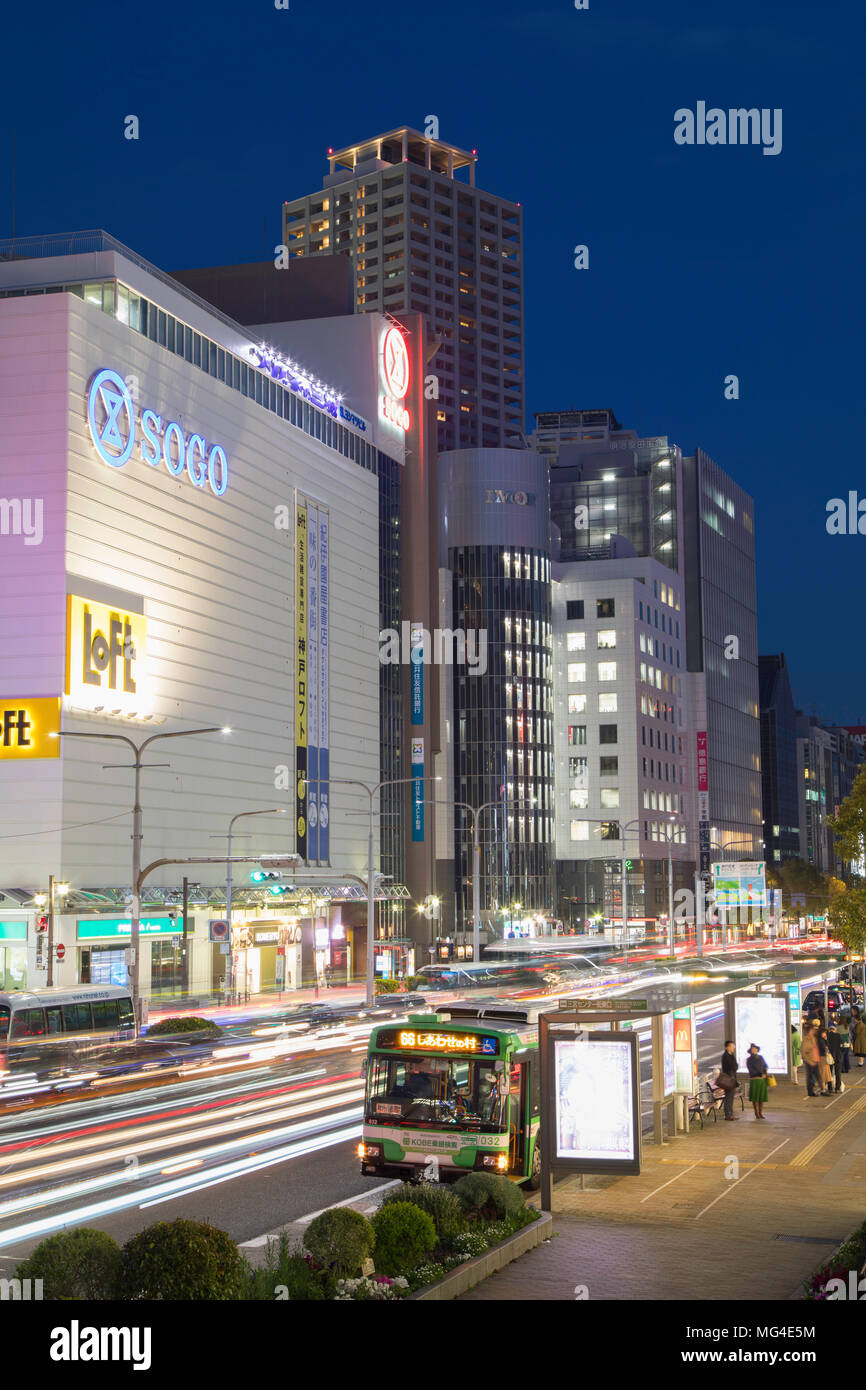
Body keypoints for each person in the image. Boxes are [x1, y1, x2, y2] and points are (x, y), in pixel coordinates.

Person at [747, 1043, 769, 1118]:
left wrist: (765, 1073)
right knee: (755, 1097)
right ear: (750, 1051)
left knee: (761, 1097)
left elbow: (765, 1066)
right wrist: (760, 1074)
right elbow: (751, 1070)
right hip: (754, 1080)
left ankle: (761, 1112)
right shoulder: (749, 1059)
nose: (754, 1050)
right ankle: (756, 1113)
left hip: (762, 1080)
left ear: (757, 1050)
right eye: (752, 1049)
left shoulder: (761, 1057)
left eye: (755, 1049)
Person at [718, 1040, 739, 1120]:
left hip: (732, 1079)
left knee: (730, 1097)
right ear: (727, 1047)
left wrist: (735, 1067)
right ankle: (728, 1115)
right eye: (732, 1046)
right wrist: (735, 1067)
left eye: (734, 1046)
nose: (733, 1047)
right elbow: (732, 1067)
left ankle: (730, 1113)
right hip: (728, 1079)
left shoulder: (731, 1055)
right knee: (728, 1097)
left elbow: (736, 1066)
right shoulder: (725, 1056)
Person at [801, 1021, 821, 1097]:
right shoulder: (806, 1039)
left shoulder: (813, 1038)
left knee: (817, 1076)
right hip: (810, 1061)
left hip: (815, 1060)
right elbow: (803, 1052)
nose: (814, 1031)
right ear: (810, 1030)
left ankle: (821, 1089)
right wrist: (809, 1061)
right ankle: (811, 1091)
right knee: (810, 1077)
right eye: (813, 1029)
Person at [827, 1021, 845, 1093]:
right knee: (838, 1073)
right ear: (834, 1030)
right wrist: (841, 1052)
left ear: (829, 1030)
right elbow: (843, 1046)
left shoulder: (827, 1036)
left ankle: (830, 1088)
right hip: (838, 1056)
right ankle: (837, 1088)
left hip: (829, 1057)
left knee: (829, 1073)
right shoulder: (839, 1035)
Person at [816, 1027, 833, 1095]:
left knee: (824, 1073)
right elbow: (824, 1048)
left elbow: (827, 1046)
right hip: (822, 1058)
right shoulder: (820, 1040)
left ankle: (823, 1089)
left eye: (825, 1033)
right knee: (823, 1073)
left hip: (823, 1058)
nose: (825, 1034)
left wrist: (826, 1040)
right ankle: (823, 1089)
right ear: (821, 1033)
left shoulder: (822, 1039)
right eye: (824, 1033)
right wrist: (826, 1043)